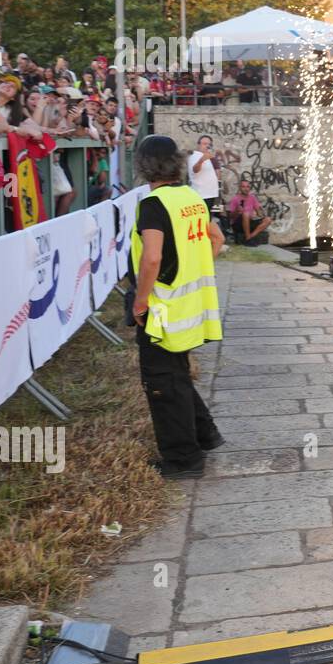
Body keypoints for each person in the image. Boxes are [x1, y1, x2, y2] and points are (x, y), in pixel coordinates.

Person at [130, 135, 225, 479]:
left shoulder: (153, 205)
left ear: (143, 166)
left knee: (162, 381)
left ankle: (184, 459)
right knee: (176, 373)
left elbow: (152, 257)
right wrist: (193, 266)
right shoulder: (192, 198)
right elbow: (218, 240)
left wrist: (140, 301)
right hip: (191, 305)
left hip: (162, 307)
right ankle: (205, 434)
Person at [226, 178, 272, 244]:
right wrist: (237, 211)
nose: (246, 189)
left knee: (268, 219)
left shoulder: (252, 197)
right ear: (240, 188)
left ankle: (249, 237)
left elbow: (259, 213)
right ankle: (248, 238)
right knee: (245, 214)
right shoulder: (235, 198)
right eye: (243, 187)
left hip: (250, 221)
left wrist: (258, 215)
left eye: (247, 187)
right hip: (238, 224)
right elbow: (230, 216)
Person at [188, 134, 221, 215]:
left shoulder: (210, 157)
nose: (207, 146)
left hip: (212, 193)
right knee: (202, 218)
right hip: (201, 194)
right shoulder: (194, 156)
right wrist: (201, 160)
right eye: (204, 144)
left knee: (210, 218)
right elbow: (195, 170)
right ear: (198, 144)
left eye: (209, 144)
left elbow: (218, 173)